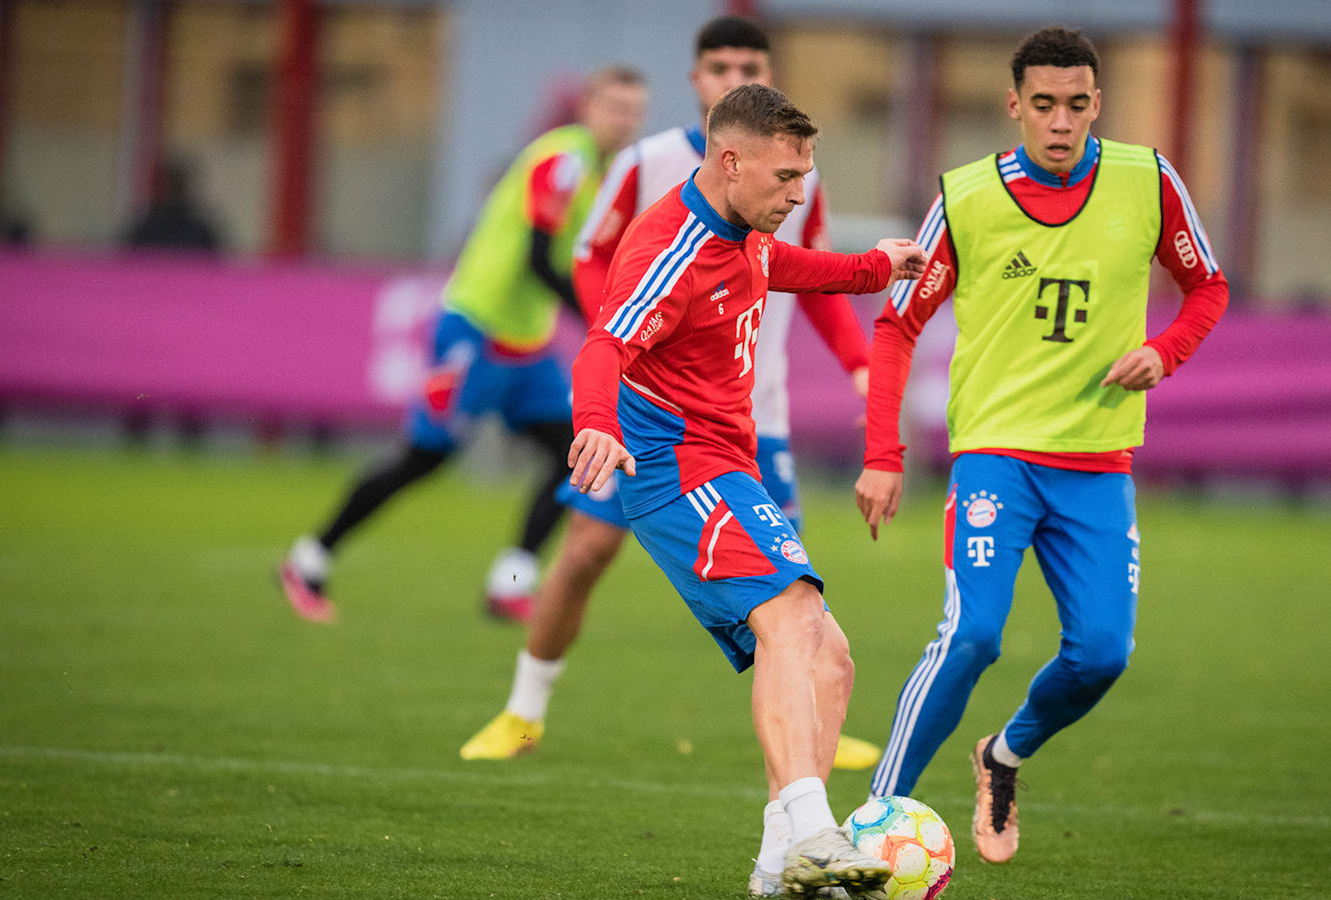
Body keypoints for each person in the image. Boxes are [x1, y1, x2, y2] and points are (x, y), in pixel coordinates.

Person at [460, 14, 881, 788]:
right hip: (653, 420)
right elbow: (597, 272)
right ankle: (525, 708)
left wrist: (864, 335)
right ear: (698, 81)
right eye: (719, 65)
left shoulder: (786, 176)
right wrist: (620, 364)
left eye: (748, 63)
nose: (733, 75)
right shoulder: (649, 167)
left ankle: (805, 766)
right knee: (591, 554)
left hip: (752, 416)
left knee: (804, 625)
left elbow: (795, 266)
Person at [854, 27, 1229, 865]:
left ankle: (1003, 754)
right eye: (1045, 105)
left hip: (1098, 462)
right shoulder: (966, 198)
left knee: (1102, 655)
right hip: (997, 455)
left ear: (1099, 105)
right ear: (1015, 106)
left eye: (1079, 105)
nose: (1062, 122)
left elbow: (1208, 286)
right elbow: (896, 325)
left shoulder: (1149, 181)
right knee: (974, 634)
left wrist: (1164, 352)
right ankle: (876, 817)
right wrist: (884, 453)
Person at [568, 84, 925, 899]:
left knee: (831, 657)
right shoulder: (673, 248)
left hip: (728, 463)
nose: (799, 193)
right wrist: (595, 420)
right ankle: (814, 833)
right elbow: (604, 343)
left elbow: (786, 265)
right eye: (787, 177)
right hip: (673, 467)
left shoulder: (743, 226)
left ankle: (776, 870)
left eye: (805, 174)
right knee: (792, 616)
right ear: (730, 162)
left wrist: (878, 265)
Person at [277, 67, 648, 623]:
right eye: (613, 106)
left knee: (577, 455)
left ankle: (510, 582)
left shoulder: (598, 173)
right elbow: (537, 257)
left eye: (632, 110)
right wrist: (603, 321)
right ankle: (309, 558)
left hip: (525, 344)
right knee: (424, 458)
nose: (623, 120)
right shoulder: (565, 159)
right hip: (474, 330)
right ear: (588, 108)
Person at [121, 159, 225, 253]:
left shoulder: (201, 232)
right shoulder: (146, 230)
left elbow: (214, 267)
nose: (174, 194)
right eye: (172, 187)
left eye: (179, 187)